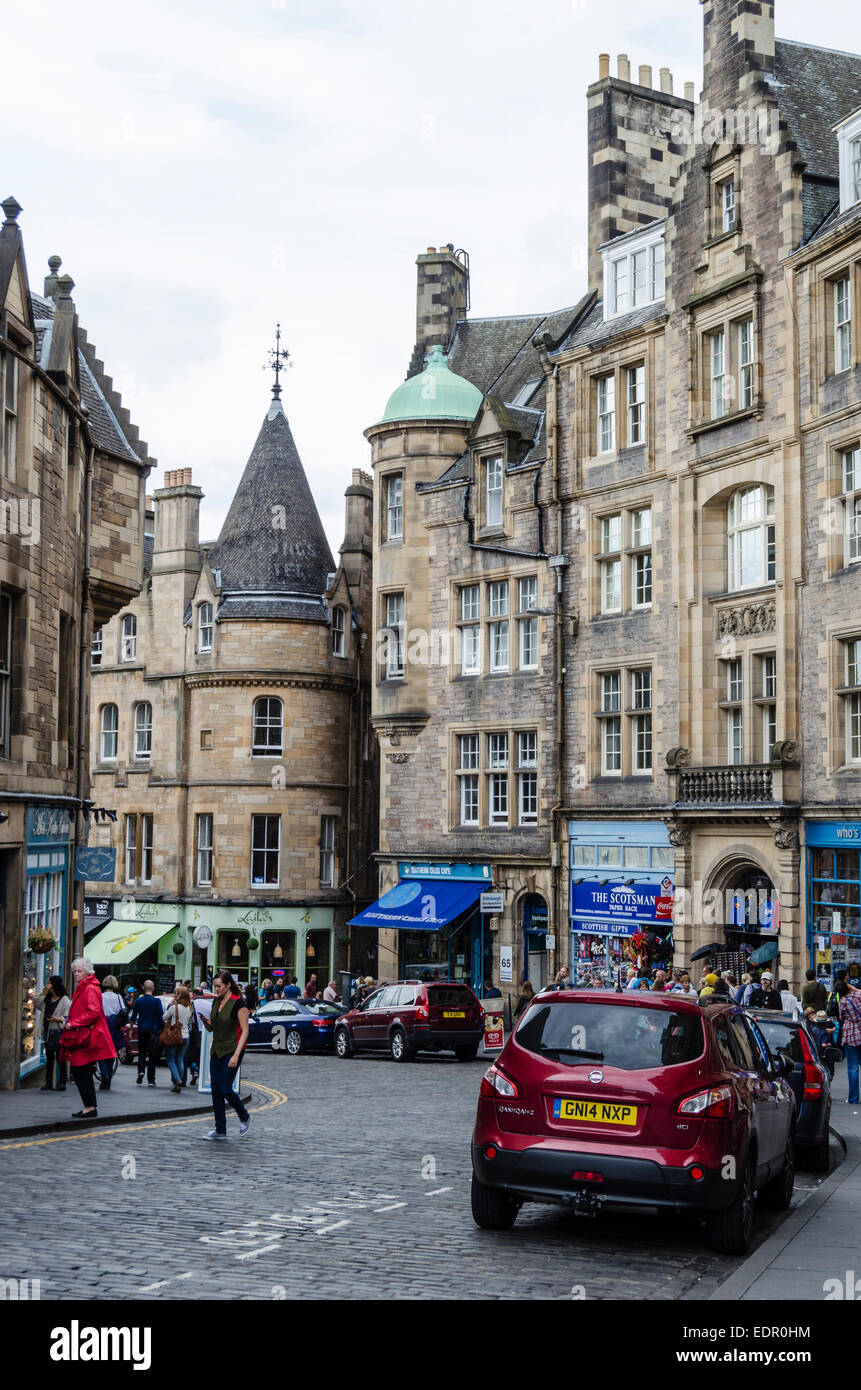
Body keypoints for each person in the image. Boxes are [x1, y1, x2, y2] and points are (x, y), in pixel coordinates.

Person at [60, 958, 117, 1119]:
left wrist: (73, 1023)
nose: (76, 974)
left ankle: (90, 1107)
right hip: (84, 1035)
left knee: (80, 1071)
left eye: (79, 971)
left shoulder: (90, 988)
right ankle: (90, 1106)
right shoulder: (86, 987)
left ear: (87, 972)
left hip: (85, 1036)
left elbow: (93, 1012)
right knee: (81, 1071)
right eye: (75, 971)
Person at [199, 969, 251, 1141]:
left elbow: (245, 1031)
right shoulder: (216, 1002)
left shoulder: (239, 1004)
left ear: (228, 985)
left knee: (225, 1088)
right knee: (215, 1090)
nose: (217, 990)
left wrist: (236, 1055)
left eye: (219, 986)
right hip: (217, 1049)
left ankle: (244, 1116)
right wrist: (207, 1024)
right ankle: (220, 1129)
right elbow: (214, 1027)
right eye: (215, 987)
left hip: (233, 1049)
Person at [35, 975, 70, 1090]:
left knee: (60, 1057)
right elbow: (36, 1003)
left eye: (48, 983)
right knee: (49, 1057)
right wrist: (43, 992)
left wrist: (57, 1019)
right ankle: (48, 1082)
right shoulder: (47, 997)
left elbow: (68, 1017)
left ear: (54, 985)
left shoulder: (64, 1000)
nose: (47, 984)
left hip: (58, 1031)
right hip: (48, 1031)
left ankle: (62, 1082)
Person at [131, 980, 164, 1086]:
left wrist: (132, 1028)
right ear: (153, 988)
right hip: (153, 1031)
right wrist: (162, 1028)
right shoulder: (157, 1001)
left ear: (143, 988)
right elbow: (160, 1016)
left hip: (142, 1029)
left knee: (142, 1053)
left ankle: (141, 1071)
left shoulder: (138, 1001)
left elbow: (133, 1017)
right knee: (152, 1055)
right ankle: (151, 1080)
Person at [162, 985, 193, 1094]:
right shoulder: (190, 1007)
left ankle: (177, 1079)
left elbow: (164, 1017)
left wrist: (170, 1006)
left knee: (170, 1059)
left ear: (180, 995)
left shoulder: (174, 1007)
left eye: (176, 993)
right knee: (180, 1059)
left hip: (175, 1036)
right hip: (185, 1036)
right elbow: (191, 1021)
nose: (174, 995)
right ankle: (179, 1083)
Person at [98, 975, 125, 1091]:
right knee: (111, 1054)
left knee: (100, 1053)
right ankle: (108, 1074)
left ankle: (104, 1074)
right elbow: (122, 1010)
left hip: (102, 1026)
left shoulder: (100, 996)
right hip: (114, 1028)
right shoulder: (118, 997)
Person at [838, 984, 861, 1104]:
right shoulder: (858, 995)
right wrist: (855, 989)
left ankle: (853, 1098)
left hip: (851, 1034)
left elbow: (841, 1017)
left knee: (853, 1068)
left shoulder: (843, 1001)